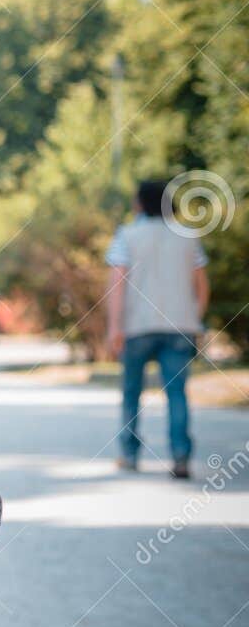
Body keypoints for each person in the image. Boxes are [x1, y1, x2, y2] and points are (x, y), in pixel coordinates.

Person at [105, 177, 210, 479]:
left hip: (137, 326)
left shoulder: (127, 235)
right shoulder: (189, 236)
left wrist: (114, 327)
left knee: (131, 391)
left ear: (140, 202)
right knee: (177, 393)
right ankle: (180, 456)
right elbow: (201, 285)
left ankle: (129, 452)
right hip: (180, 325)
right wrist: (194, 317)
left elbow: (117, 285)